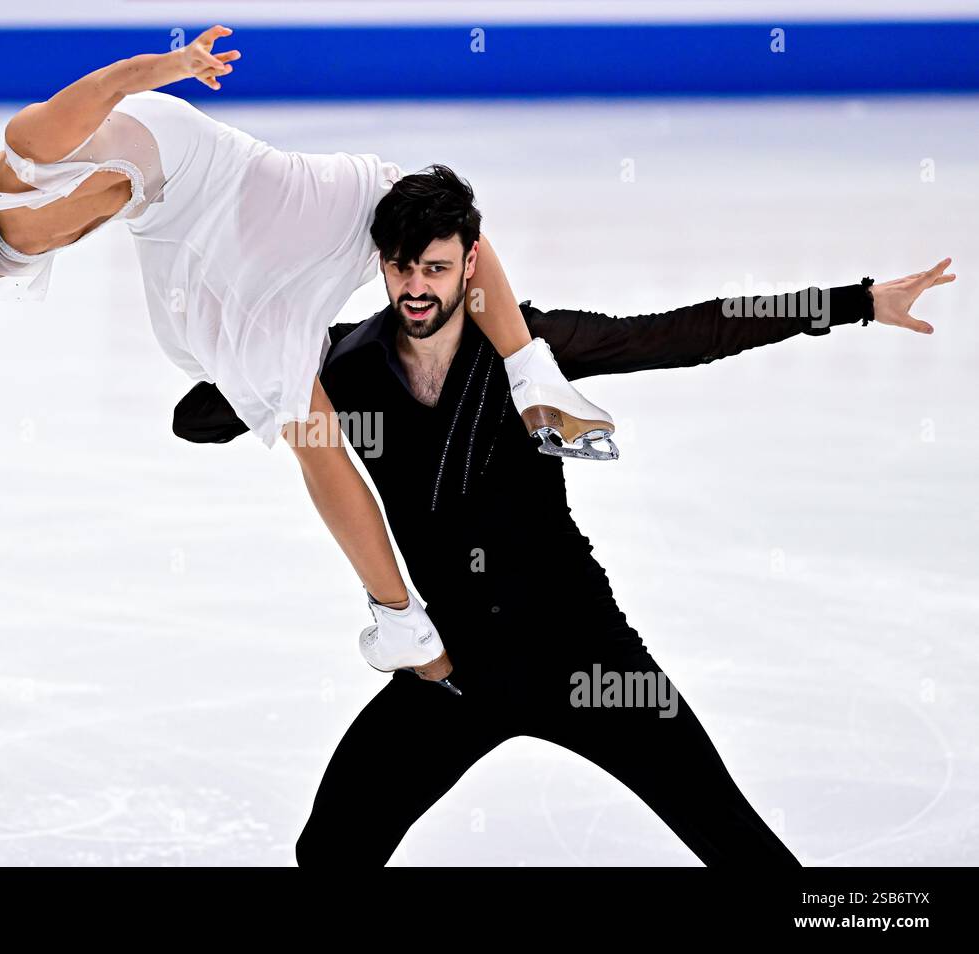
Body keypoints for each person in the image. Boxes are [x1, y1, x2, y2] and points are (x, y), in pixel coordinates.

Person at [0, 26, 614, 681]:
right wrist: (176, 60)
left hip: (198, 281)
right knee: (429, 211)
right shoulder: (16, 147)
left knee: (310, 430)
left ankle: (405, 626)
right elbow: (104, 92)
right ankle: (531, 371)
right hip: (256, 194)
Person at [173, 170, 956, 864]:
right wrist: (275, 340)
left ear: (472, 263)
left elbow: (686, 333)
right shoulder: (344, 365)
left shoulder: (531, 350)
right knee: (331, 847)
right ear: (378, 264)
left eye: (437, 268)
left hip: (582, 656)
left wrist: (853, 303)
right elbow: (197, 419)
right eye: (401, 267)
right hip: (452, 671)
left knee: (736, 840)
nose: (417, 287)